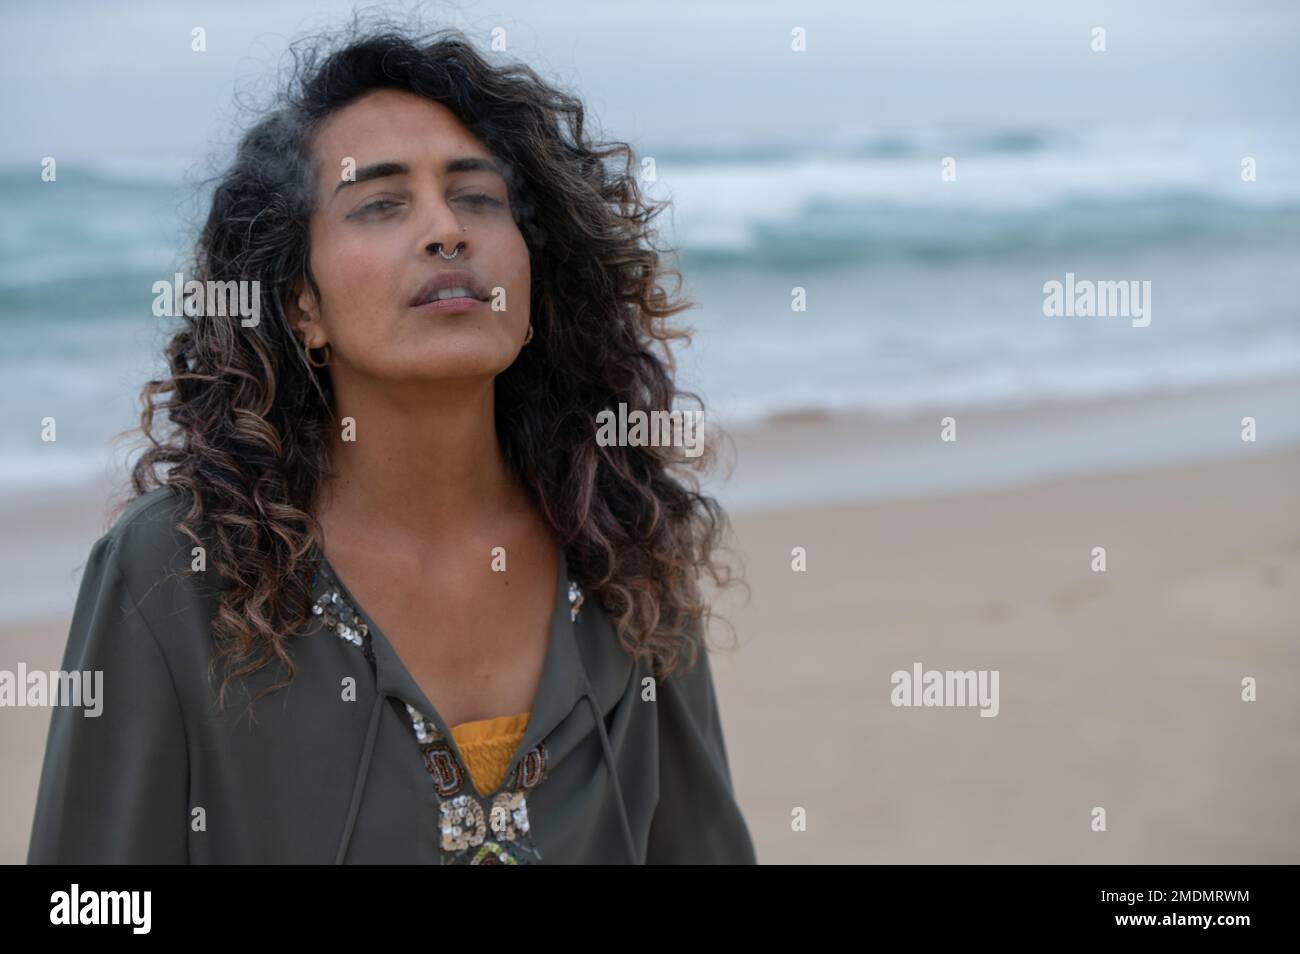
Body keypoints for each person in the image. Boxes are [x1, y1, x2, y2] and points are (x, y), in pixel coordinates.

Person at [26, 23, 756, 865]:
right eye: (379, 203)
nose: (446, 230)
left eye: (478, 197)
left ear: (532, 266)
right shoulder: (179, 568)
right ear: (301, 301)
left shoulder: (621, 541)